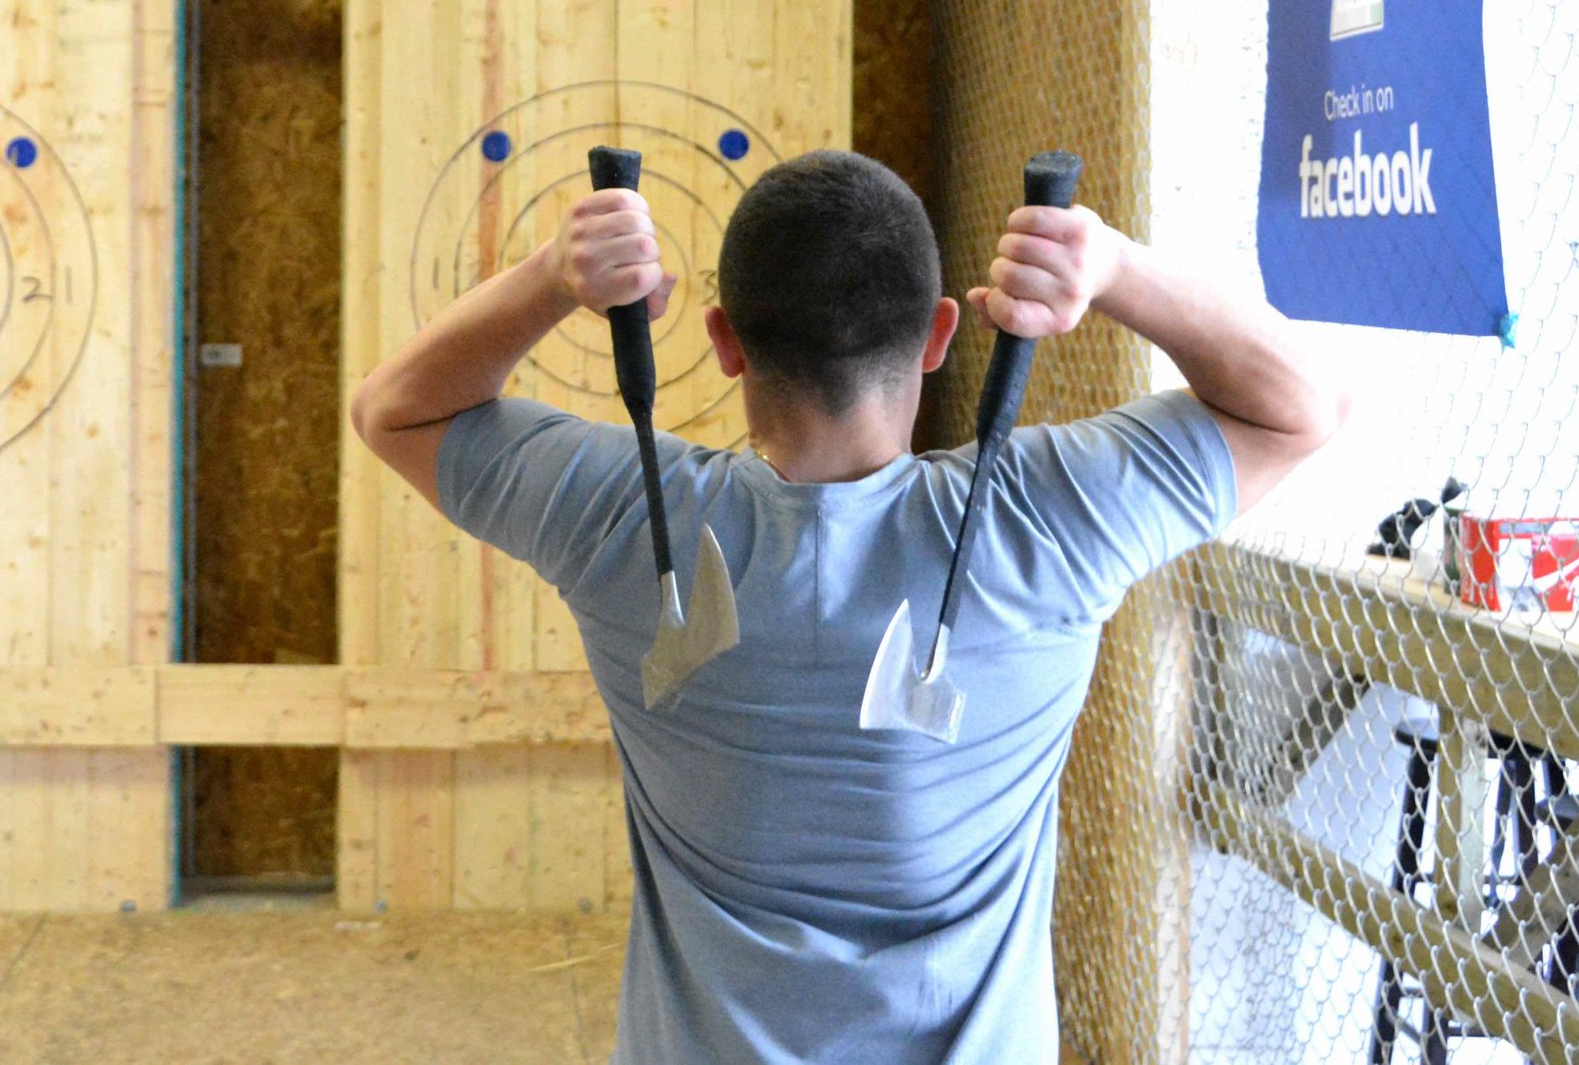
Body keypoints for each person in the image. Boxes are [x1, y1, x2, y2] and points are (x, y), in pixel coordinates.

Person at [348, 150, 1348, 1064]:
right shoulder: (1045, 522)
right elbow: (1302, 406)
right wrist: (1112, 265)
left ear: (726, 343)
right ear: (938, 338)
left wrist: (551, 281)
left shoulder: (622, 519)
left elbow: (393, 409)